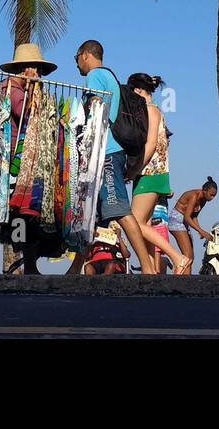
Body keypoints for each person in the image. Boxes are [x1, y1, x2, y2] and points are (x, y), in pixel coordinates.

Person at [74, 40, 152, 272]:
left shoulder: (95, 76)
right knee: (92, 215)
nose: (77, 64)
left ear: (85, 55)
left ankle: (147, 268)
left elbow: (95, 110)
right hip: (112, 152)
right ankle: (75, 268)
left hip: (105, 153)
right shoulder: (110, 77)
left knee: (119, 210)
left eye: (76, 58)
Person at [0, 42, 59, 275]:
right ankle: (20, 261)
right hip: (14, 159)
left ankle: (29, 264)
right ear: (25, 69)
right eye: (35, 69)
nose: (38, 74)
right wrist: (32, 87)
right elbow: (22, 111)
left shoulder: (25, 88)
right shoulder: (13, 88)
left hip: (24, 160)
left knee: (26, 216)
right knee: (17, 215)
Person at [126, 72, 190, 274]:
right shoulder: (154, 111)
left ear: (137, 90)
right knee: (143, 223)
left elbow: (151, 143)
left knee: (135, 222)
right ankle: (151, 269)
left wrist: (132, 169)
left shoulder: (150, 110)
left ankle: (177, 257)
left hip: (150, 173)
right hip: (151, 174)